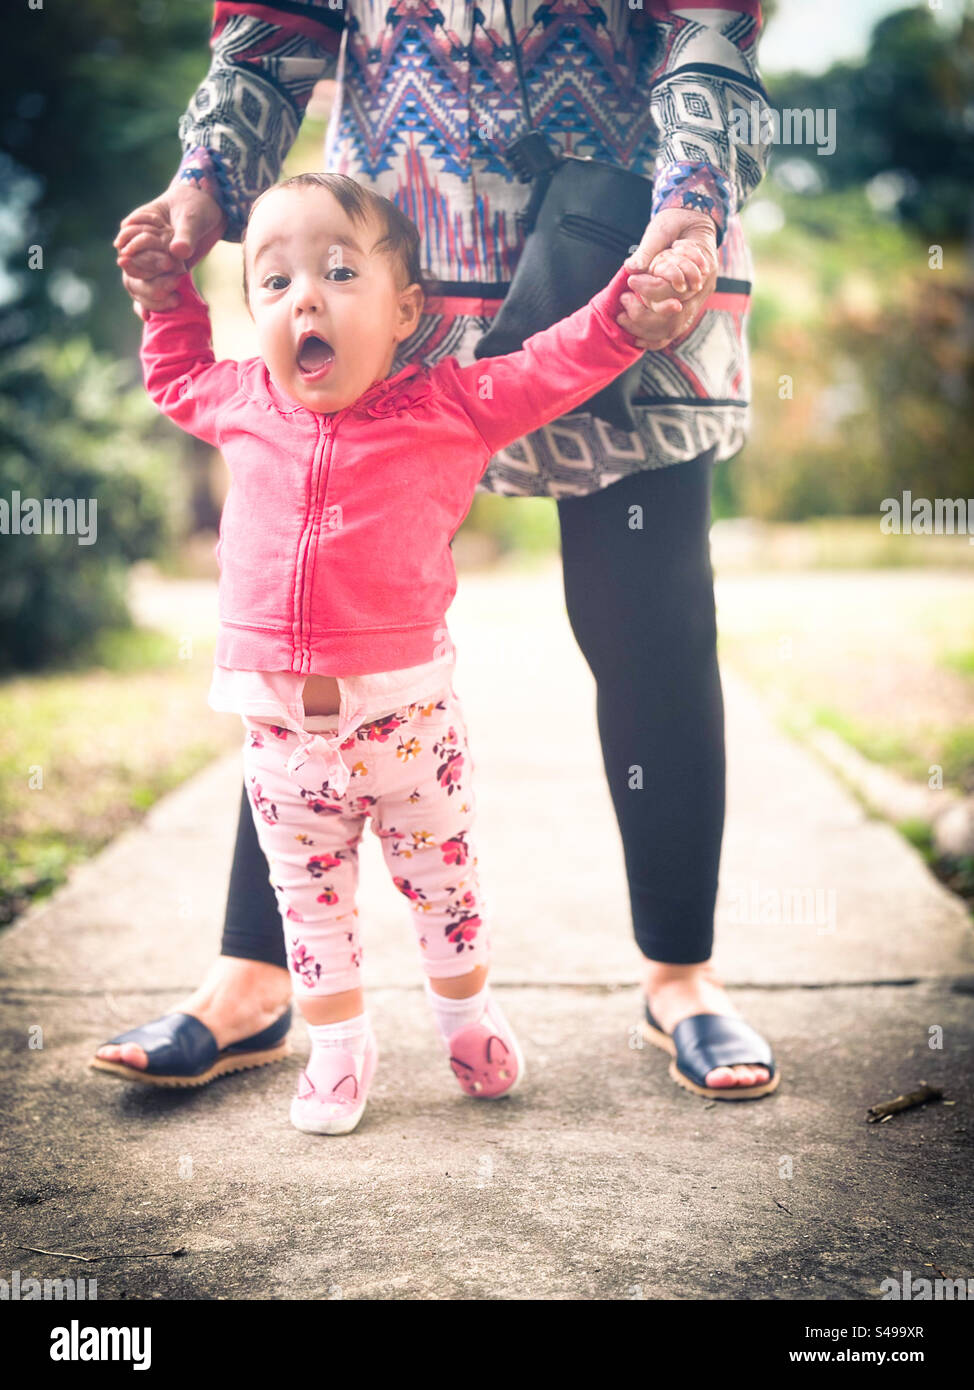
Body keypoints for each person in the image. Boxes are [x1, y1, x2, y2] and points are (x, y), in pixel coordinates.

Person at [96, 0, 778, 1099]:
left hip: (632, 258)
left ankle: (681, 978)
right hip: (377, 270)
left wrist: (694, 202)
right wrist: (203, 188)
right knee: (309, 611)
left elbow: (706, 22)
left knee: (648, 626)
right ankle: (251, 976)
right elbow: (271, 32)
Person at [95, 170, 668, 1132]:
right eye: (272, 284)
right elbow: (174, 371)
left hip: (411, 730)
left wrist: (623, 318)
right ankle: (337, 1049)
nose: (303, 296)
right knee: (311, 915)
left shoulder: (453, 405)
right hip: (282, 743)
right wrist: (165, 298)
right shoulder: (240, 402)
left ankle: (466, 1016)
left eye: (337, 270)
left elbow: (549, 366)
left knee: (445, 891)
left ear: (405, 311)